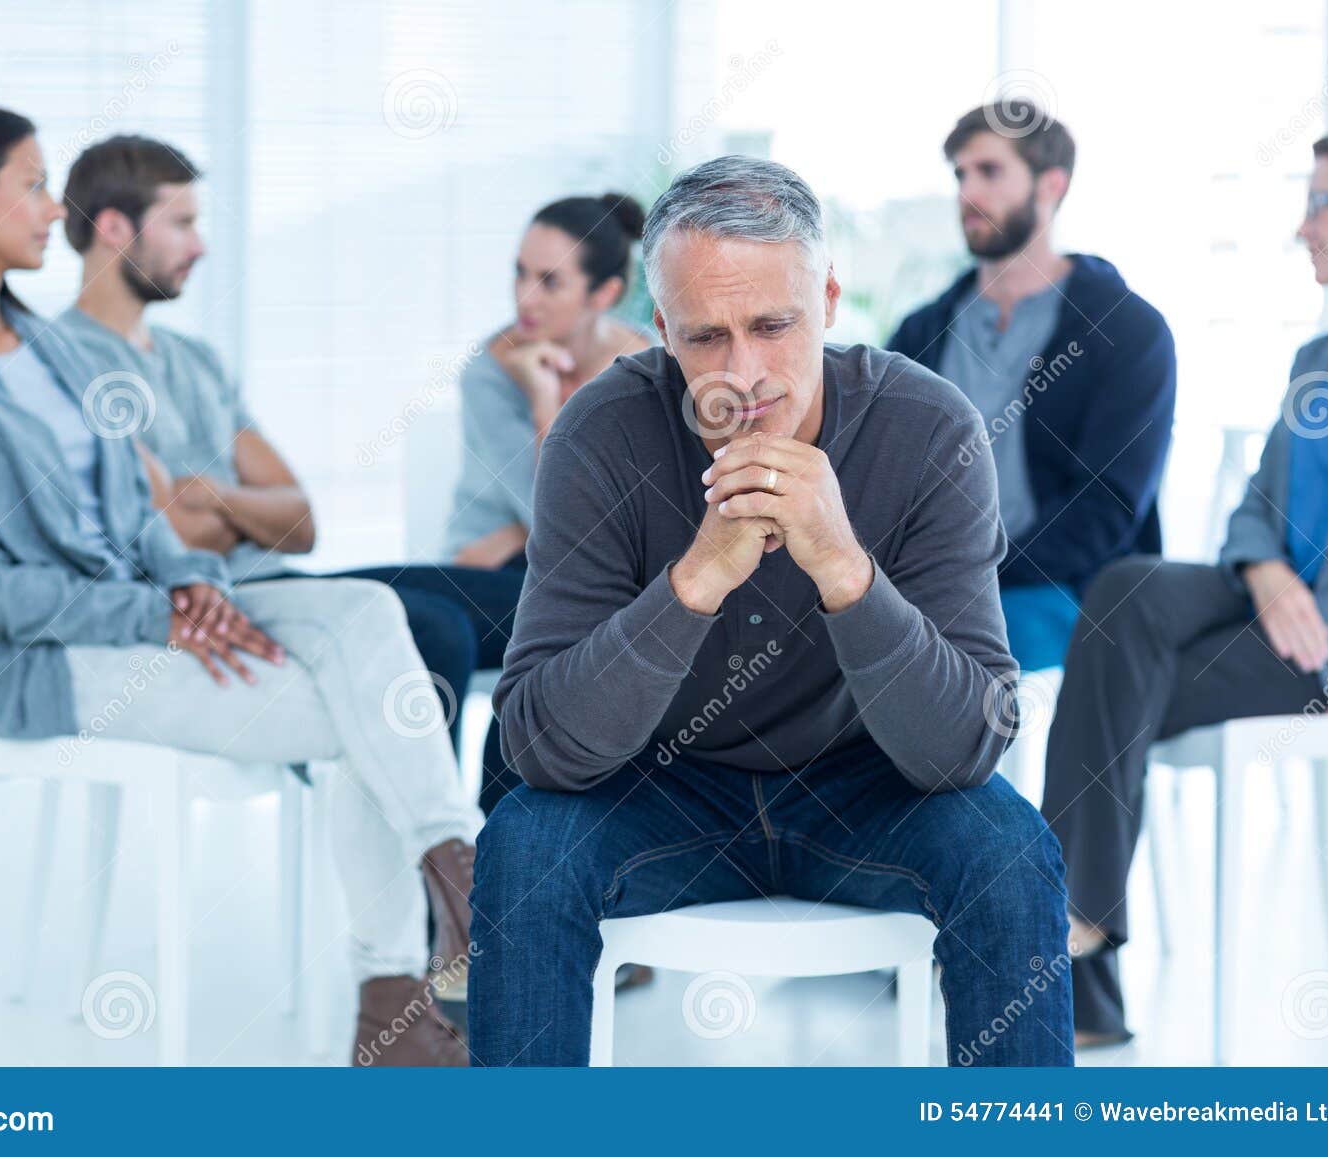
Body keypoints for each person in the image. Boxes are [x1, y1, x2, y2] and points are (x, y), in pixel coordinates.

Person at [0, 106, 481, 1066]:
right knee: (367, 715)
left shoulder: (48, 348)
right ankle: (403, 993)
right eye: (31, 181)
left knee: (369, 611)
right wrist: (158, 611)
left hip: (154, 610)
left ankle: (453, 883)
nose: (51, 205)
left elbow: (136, 513)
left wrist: (189, 581)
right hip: (56, 659)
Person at [468, 155, 1074, 1067]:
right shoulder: (601, 433)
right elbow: (539, 744)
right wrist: (695, 580)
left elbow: (965, 745)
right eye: (705, 336)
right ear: (661, 329)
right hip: (663, 788)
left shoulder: (929, 429)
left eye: (772, 325)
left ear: (828, 298)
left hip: (869, 787)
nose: (741, 374)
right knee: (524, 848)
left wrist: (843, 567)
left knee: (1010, 852)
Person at [1043, 124, 1328, 1048]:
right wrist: (1264, 570)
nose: (1303, 226)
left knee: (1112, 686)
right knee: (1124, 585)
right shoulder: (1322, 356)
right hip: (1268, 599)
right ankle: (1082, 935)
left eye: (1321, 202)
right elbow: (1259, 502)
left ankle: (1073, 958)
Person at [52, 135, 477, 757]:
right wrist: (245, 513)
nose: (200, 245)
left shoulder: (195, 360)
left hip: (277, 575)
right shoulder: (63, 365)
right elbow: (165, 540)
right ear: (114, 227)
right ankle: (428, 847)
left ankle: (514, 838)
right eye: (183, 223)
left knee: (521, 608)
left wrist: (212, 497)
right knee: (438, 631)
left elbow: (301, 524)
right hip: (206, 606)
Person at [344, 192, 652, 813]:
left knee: (549, 632)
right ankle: (457, 840)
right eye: (519, 272)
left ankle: (490, 848)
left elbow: (596, 532)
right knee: (494, 634)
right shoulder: (492, 369)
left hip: (572, 576)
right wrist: (541, 402)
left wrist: (543, 408)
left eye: (549, 282)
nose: (524, 299)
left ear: (604, 294)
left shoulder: (650, 369)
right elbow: (554, 513)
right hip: (500, 578)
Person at [889, 100, 1176, 673]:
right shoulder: (922, 330)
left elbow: (1107, 506)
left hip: (1064, 593)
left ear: (1051, 184)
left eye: (989, 172)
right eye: (960, 175)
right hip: (924, 592)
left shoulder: (1127, 330)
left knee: (927, 668)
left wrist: (975, 579)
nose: (968, 193)